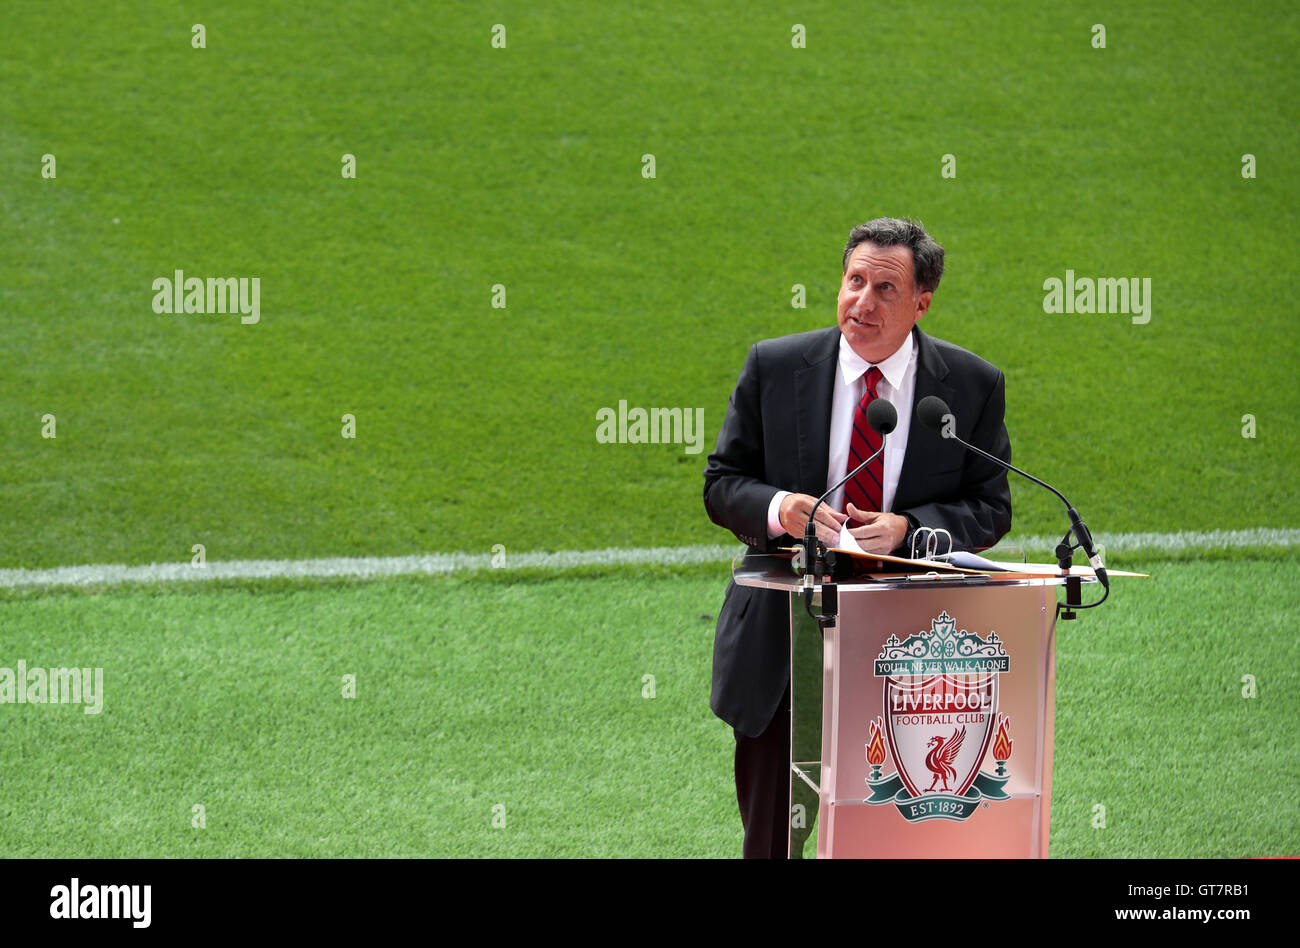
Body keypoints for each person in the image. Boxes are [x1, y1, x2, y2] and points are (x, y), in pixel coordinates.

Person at [702, 217, 1013, 857]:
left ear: (922, 302)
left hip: (910, 651)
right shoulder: (775, 366)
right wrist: (780, 506)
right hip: (784, 642)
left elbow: (990, 507)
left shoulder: (972, 386)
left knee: (899, 832)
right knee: (773, 836)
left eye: (885, 290)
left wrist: (911, 529)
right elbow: (722, 483)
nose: (862, 303)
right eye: (854, 281)